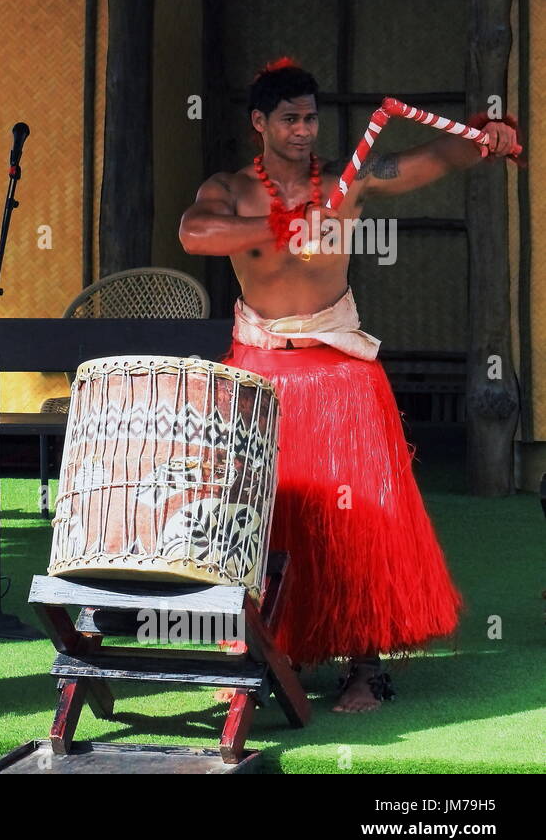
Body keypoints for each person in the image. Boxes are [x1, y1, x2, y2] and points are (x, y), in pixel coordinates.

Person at [179, 59, 519, 712]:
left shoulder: (345, 179)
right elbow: (194, 232)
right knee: (261, 518)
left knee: (357, 523)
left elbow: (425, 162)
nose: (304, 130)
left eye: (310, 117)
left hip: (341, 374)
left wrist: (484, 139)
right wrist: (282, 225)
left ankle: (365, 668)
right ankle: (271, 652)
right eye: (290, 119)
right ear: (260, 123)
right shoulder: (229, 189)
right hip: (261, 374)